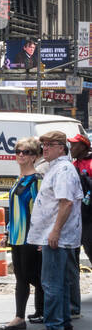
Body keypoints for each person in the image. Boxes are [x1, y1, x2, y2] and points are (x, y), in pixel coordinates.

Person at [26, 131, 84, 330]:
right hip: (55, 235)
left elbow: (66, 202)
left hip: (57, 236)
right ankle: (63, 323)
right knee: (59, 282)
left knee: (51, 283)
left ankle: (54, 325)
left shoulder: (63, 170)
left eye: (50, 144)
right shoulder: (58, 168)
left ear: (62, 147)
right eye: (44, 145)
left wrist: (55, 231)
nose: (45, 148)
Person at [0, 137, 44, 330]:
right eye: (18, 151)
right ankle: (20, 317)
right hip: (17, 235)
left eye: (25, 152)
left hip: (30, 236)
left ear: (34, 156)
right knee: (21, 277)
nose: (20, 155)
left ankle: (42, 311)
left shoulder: (36, 180)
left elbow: (41, 210)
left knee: (32, 276)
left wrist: (41, 235)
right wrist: (7, 232)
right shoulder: (20, 180)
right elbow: (13, 209)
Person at [67, 133, 92, 318]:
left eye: (74, 145)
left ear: (83, 147)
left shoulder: (90, 165)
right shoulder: (72, 165)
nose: (71, 148)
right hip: (76, 220)